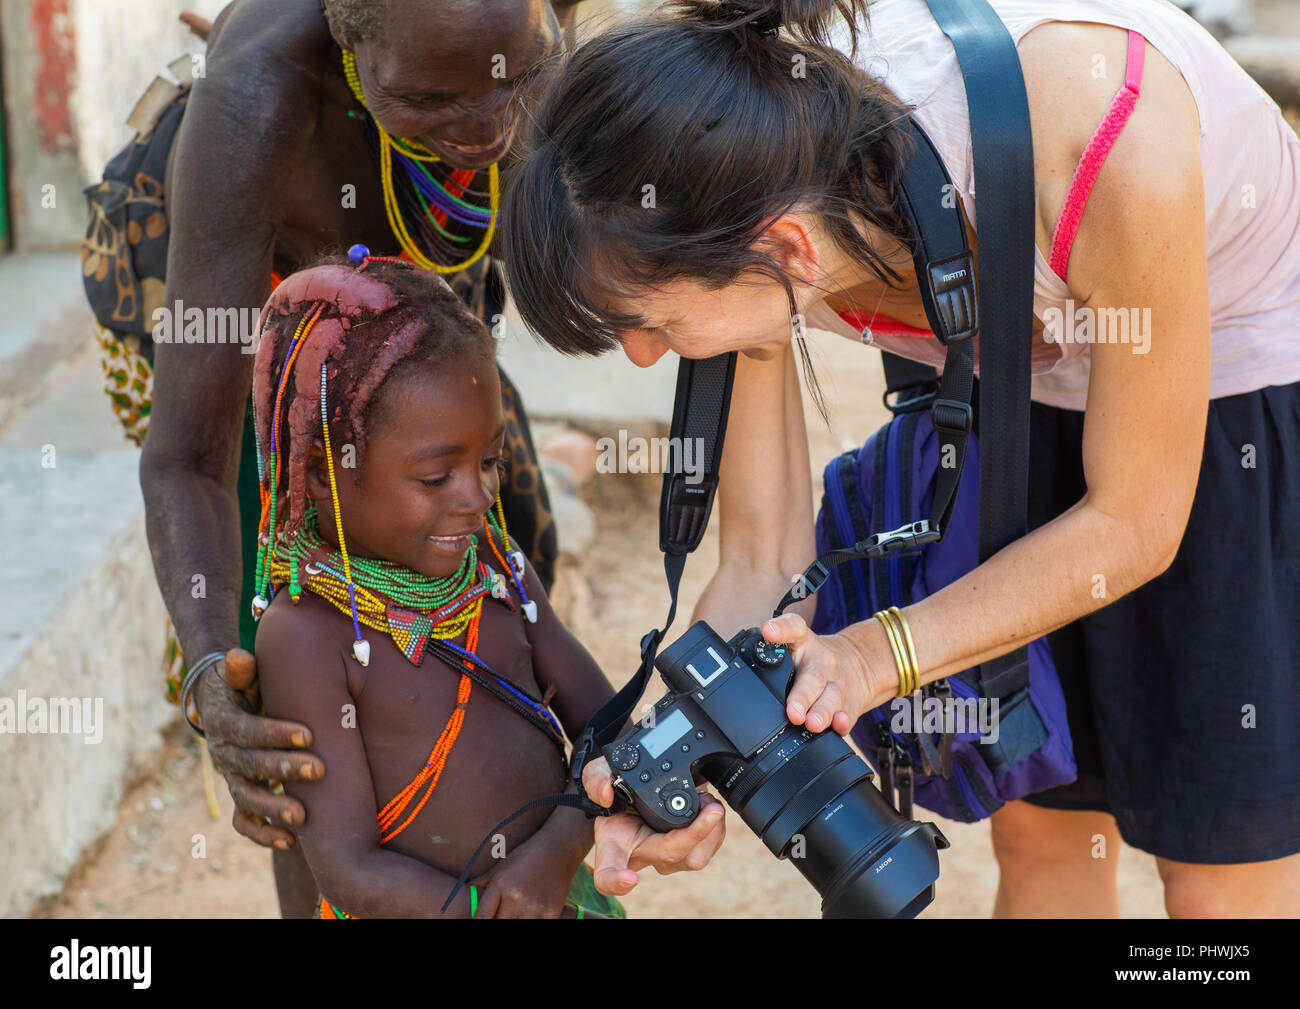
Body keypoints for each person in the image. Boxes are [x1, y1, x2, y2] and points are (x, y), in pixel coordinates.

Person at [501, 0, 1300, 915]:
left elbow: (1133, 522)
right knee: (1039, 826)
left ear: (788, 250)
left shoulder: (1102, 145)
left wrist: (877, 655)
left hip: (1231, 393)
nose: (645, 356)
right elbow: (766, 561)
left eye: (651, 323)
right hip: (1014, 387)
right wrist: (670, 758)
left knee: (1220, 875)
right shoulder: (737, 201)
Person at [109, 0, 572, 915]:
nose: (490, 129)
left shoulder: (526, 34)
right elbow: (187, 459)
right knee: (294, 692)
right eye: (433, 97)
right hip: (252, 343)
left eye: (517, 74)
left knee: (499, 586)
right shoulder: (257, 103)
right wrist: (213, 669)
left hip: (421, 324)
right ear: (350, 46)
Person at [248, 253, 623, 917]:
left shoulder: (498, 571)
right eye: (434, 478)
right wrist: (495, 909)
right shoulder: (306, 632)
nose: (477, 497)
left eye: (489, 460)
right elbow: (350, 868)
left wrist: (557, 852)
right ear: (321, 469)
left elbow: (609, 729)